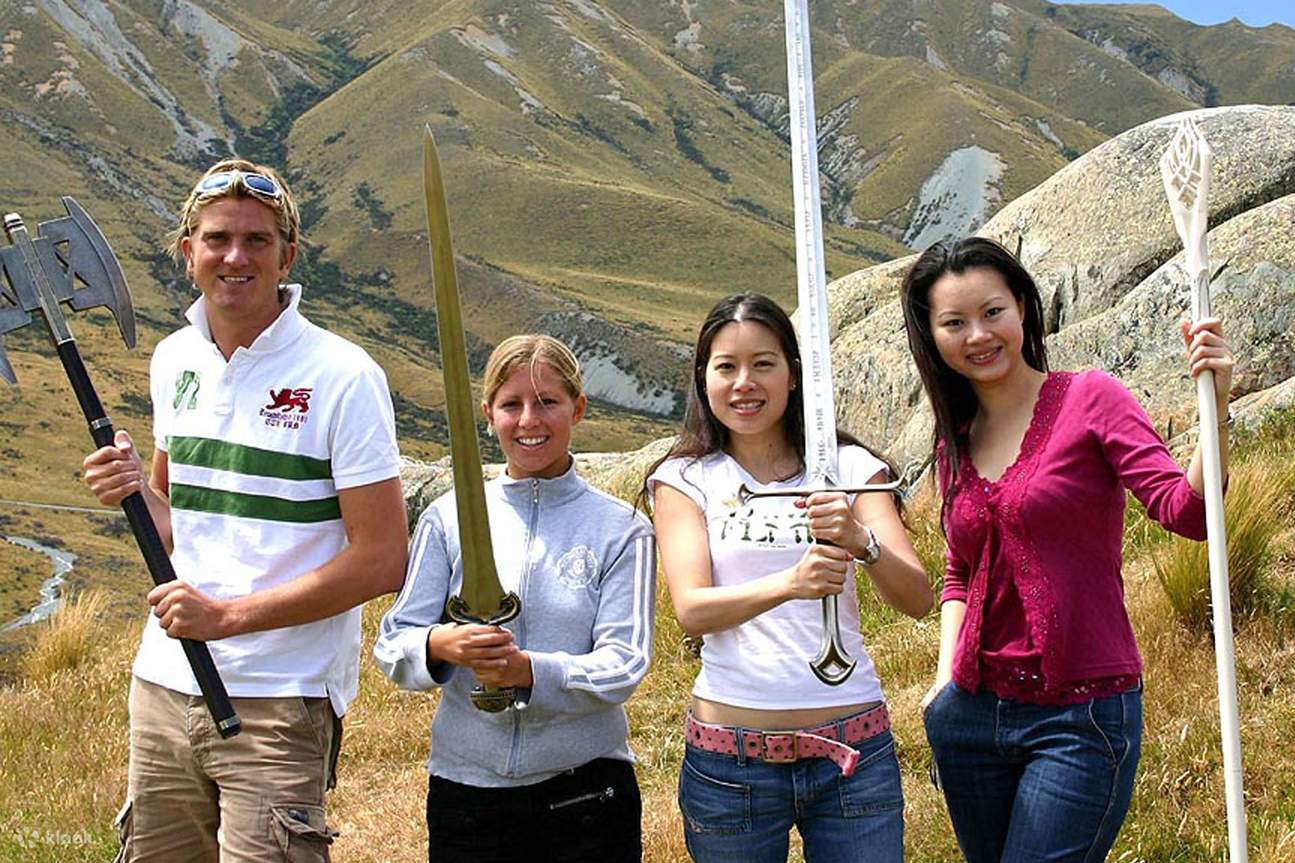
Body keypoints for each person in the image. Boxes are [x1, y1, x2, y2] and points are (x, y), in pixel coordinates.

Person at [81, 158, 408, 862]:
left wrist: (228, 618)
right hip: (163, 685)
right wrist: (135, 488)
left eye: (257, 240)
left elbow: (382, 558)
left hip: (278, 698)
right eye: (217, 238)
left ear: (287, 255)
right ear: (187, 252)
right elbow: (179, 526)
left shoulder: (344, 376)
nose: (236, 256)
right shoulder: (174, 360)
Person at [899, 236, 1233, 862]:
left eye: (992, 312)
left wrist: (1214, 408)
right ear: (933, 336)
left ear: (1023, 307)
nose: (978, 334)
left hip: (1080, 719)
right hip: (969, 717)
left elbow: (1186, 514)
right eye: (954, 322)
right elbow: (960, 570)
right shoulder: (956, 440)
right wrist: (945, 682)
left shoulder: (1091, 398)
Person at [643, 292, 933, 863]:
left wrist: (861, 542)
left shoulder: (850, 470)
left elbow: (918, 598)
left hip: (853, 754)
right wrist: (790, 583)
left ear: (794, 375)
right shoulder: (684, 479)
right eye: (726, 367)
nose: (744, 383)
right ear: (704, 380)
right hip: (731, 763)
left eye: (763, 364)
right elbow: (693, 609)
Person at [374, 334, 656, 863]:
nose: (530, 420)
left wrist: (529, 671)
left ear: (579, 407)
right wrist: (441, 644)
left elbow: (625, 665)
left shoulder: (622, 529)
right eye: (511, 405)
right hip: (468, 793)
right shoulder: (449, 518)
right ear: (487, 414)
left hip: (587, 792)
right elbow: (393, 644)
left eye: (547, 402)